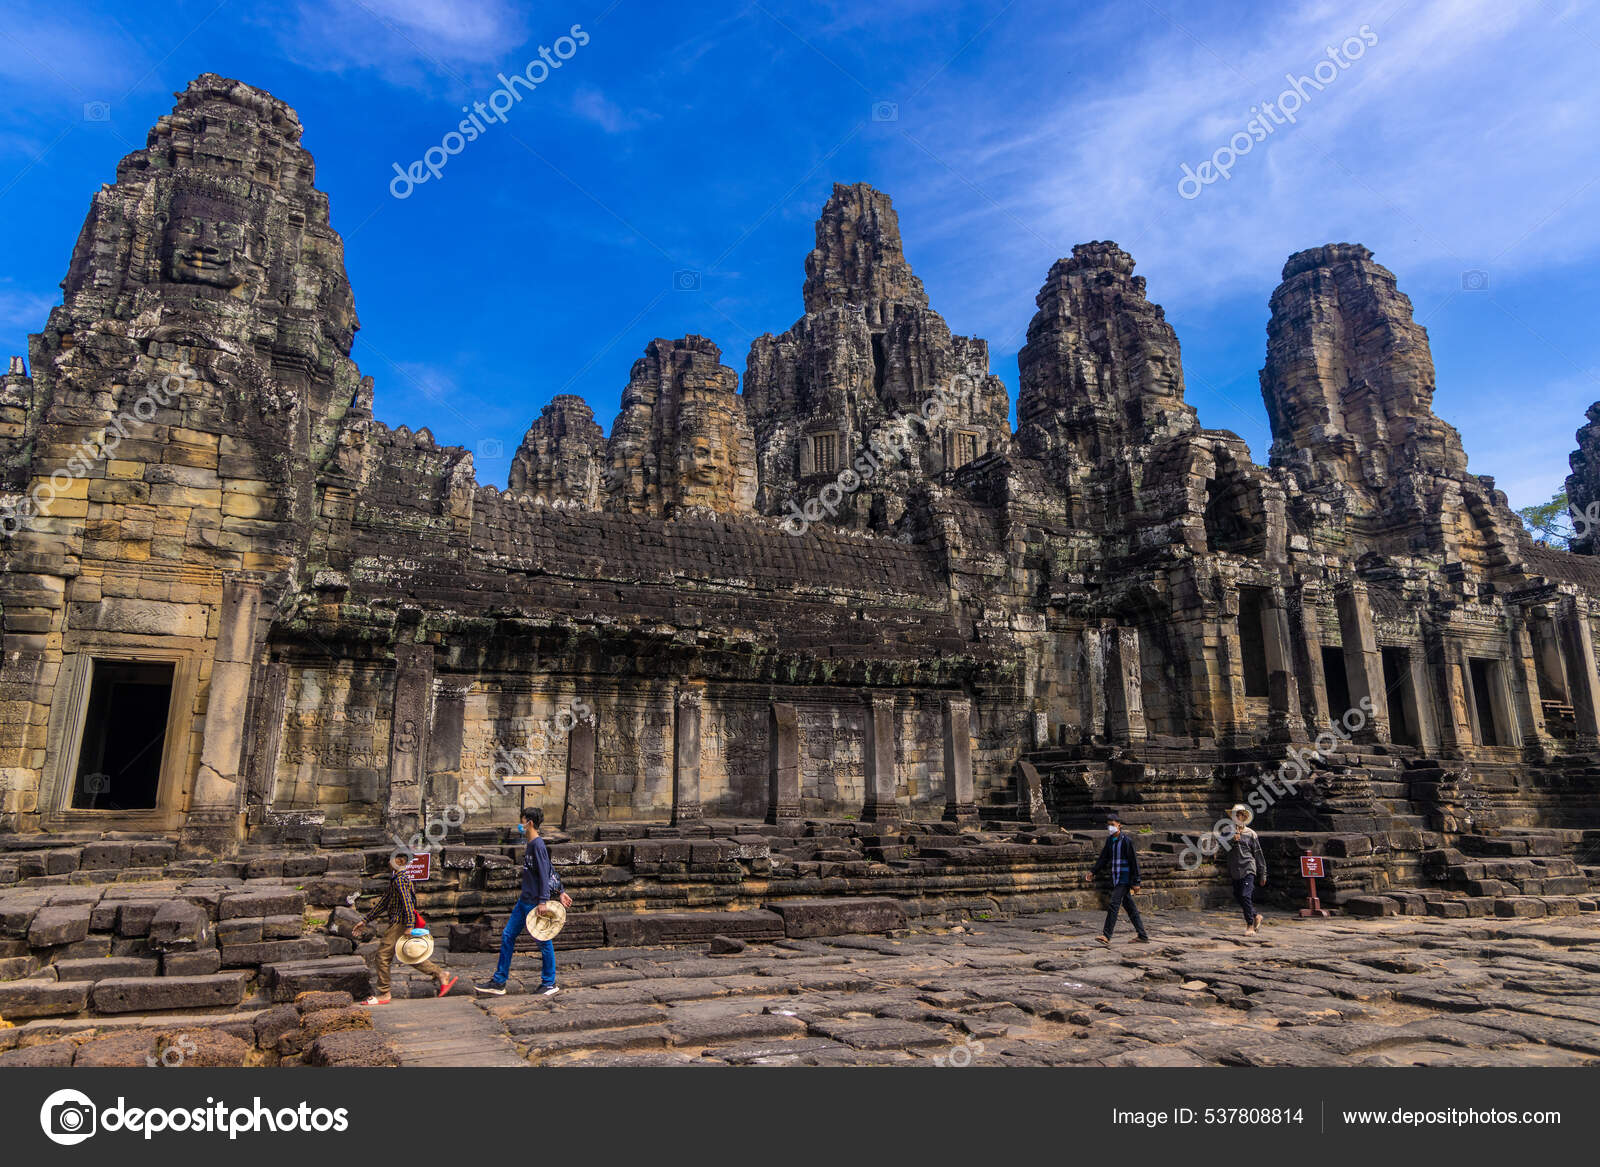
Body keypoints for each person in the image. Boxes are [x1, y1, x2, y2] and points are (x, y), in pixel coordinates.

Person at [475, 806, 572, 997]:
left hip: (535, 903)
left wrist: (544, 900)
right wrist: (560, 890)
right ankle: (499, 981)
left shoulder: (538, 845)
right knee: (507, 936)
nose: (520, 825)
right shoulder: (531, 844)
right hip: (524, 901)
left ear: (530, 823)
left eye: (522, 821)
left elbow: (545, 873)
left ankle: (549, 982)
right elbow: (549, 869)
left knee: (544, 942)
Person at [355, 852, 457, 1004]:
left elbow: (408, 904)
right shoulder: (396, 878)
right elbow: (384, 901)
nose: (389, 863)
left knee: (382, 956)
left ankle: (384, 993)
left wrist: (409, 926)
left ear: (401, 861)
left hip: (400, 923)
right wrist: (365, 920)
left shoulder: (401, 880)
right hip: (399, 922)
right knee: (408, 954)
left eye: (392, 860)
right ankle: (441, 973)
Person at [1084, 812, 1149, 945]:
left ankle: (1106, 935)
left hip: (1124, 879)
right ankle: (1142, 935)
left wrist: (1136, 882)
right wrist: (1093, 872)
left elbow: (1134, 862)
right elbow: (1103, 858)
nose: (1110, 828)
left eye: (1112, 825)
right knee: (1130, 908)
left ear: (1119, 825)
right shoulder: (1110, 841)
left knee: (1114, 904)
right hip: (1116, 878)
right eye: (1108, 825)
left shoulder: (1126, 841)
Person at [1226, 803, 1268, 935]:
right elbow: (1221, 849)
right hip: (1235, 869)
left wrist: (1263, 874)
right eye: (1235, 815)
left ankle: (1250, 925)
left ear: (1244, 817)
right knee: (1238, 895)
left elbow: (1258, 853)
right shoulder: (1227, 832)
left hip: (1248, 867)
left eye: (1239, 815)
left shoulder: (1251, 834)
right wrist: (1232, 840)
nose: (1237, 818)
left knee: (1245, 894)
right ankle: (1256, 916)